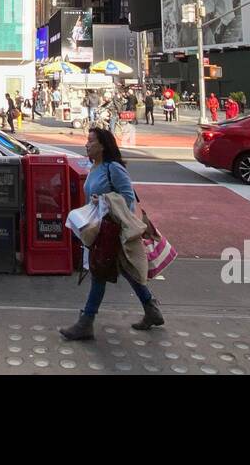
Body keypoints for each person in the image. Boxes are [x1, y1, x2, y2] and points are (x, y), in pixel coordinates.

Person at [60, 127, 161, 341]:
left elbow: (128, 199)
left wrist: (105, 201)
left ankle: (86, 322)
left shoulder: (113, 168)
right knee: (125, 270)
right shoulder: (94, 166)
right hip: (100, 229)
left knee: (99, 274)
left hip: (113, 230)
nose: (86, 144)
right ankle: (151, 309)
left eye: (91, 141)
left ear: (103, 145)